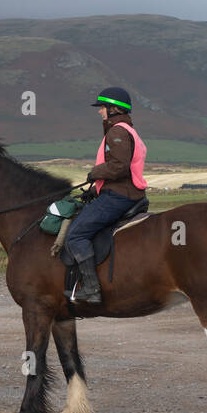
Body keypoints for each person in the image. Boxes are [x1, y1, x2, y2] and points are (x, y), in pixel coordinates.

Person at [64, 86, 148, 304]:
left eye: (101, 107)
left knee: (76, 234)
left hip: (120, 197)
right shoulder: (127, 130)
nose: (99, 111)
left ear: (113, 109)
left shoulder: (117, 132)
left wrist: (94, 173)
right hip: (123, 192)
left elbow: (119, 166)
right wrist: (95, 189)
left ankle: (91, 288)